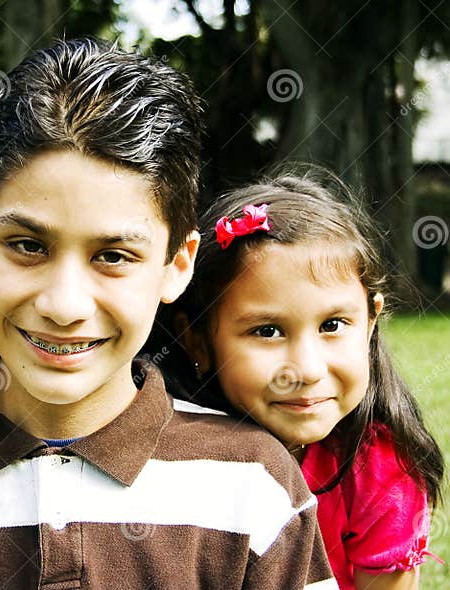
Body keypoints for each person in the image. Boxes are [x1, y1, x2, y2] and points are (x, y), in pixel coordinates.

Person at [0, 38, 336, 589]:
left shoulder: (255, 489)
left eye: (112, 256)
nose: (63, 306)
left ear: (178, 265)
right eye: (29, 246)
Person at [166, 166, 444, 590]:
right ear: (198, 341)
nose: (308, 370)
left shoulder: (378, 470)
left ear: (370, 323)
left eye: (333, 325)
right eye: (267, 331)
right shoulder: (167, 457)